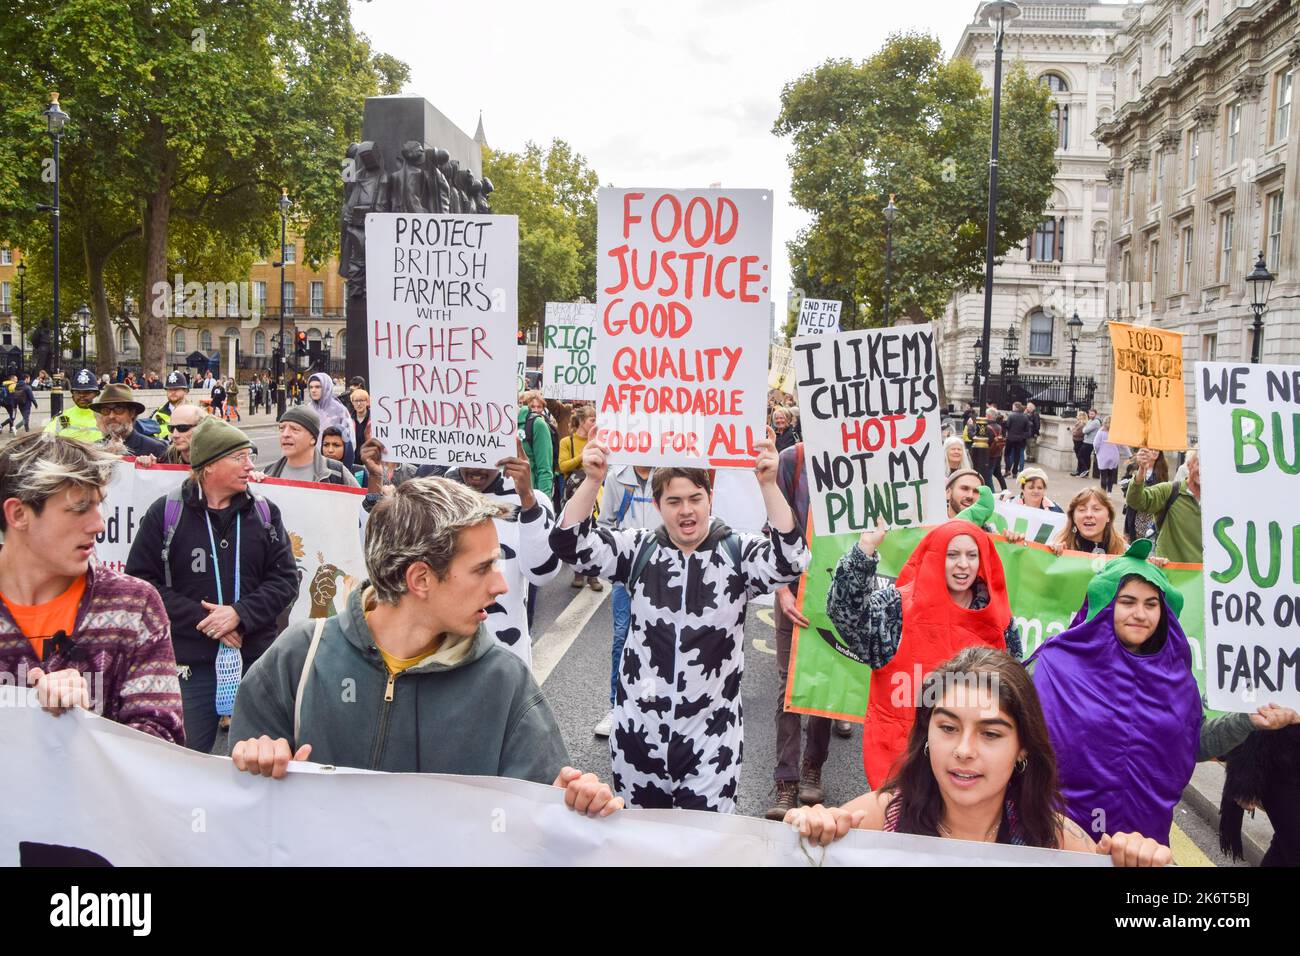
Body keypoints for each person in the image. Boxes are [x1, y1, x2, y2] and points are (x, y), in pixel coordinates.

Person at [227, 476, 622, 820]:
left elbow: (540, 821)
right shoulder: (301, 656)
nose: (501, 586)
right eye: (483, 568)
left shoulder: (505, 680)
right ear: (420, 579)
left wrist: (575, 804)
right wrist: (255, 757)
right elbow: (235, 802)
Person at [550, 431, 809, 812]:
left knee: (701, 848)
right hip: (640, 739)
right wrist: (592, 480)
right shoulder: (637, 548)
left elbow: (792, 560)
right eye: (673, 501)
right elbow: (568, 544)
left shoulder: (739, 552)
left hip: (710, 742)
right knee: (641, 846)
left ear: (709, 500)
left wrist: (769, 485)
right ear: (657, 504)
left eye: (694, 499)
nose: (685, 510)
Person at [784, 647, 1173, 866]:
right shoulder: (875, 819)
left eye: (990, 734)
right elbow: (795, 848)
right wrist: (806, 835)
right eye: (948, 728)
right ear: (926, 735)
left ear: (1022, 747)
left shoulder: (1059, 843)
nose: (964, 751)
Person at [1027, 539, 1298, 845]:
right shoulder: (1052, 666)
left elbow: (1193, 743)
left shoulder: (1176, 678)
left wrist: (1248, 721)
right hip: (1063, 843)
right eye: (1127, 602)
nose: (1140, 614)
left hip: (1146, 847)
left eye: (1151, 604)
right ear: (1105, 604)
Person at [125, 417, 300, 753]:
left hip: (255, 663)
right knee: (186, 761)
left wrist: (239, 614)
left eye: (249, 456)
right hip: (191, 667)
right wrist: (206, 622)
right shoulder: (167, 512)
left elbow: (285, 579)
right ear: (208, 466)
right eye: (239, 458)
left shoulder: (264, 512)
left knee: (257, 765)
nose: (250, 465)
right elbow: (141, 583)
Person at [826, 489, 1021, 787]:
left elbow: (1016, 693)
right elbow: (845, 614)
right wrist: (864, 550)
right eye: (952, 555)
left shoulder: (998, 619)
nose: (963, 565)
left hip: (971, 772)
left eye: (972, 556)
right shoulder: (898, 606)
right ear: (935, 557)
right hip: (902, 767)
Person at [0, 434, 185, 744]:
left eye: (98, 505)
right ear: (19, 514)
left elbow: (164, 744)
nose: (99, 525)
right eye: (79, 508)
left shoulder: (132, 604)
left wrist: (85, 724)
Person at [766, 438, 842, 821]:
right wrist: (782, 592)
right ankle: (786, 781)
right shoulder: (791, 460)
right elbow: (772, 530)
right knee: (788, 686)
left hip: (839, 592)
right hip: (794, 589)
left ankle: (814, 765)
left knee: (824, 683)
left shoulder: (861, 457)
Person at [442, 441, 561, 667]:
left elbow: (543, 573)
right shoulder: (440, 498)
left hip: (505, 656)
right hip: (445, 653)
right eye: (469, 457)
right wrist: (376, 485)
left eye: (485, 456)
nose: (476, 468)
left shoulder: (529, 500)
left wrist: (527, 498)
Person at [590, 459, 660, 738]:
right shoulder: (616, 477)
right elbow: (605, 524)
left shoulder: (671, 470)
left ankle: (651, 708)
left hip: (664, 575)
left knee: (659, 641)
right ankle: (616, 706)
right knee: (622, 637)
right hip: (626, 577)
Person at [1124, 447, 1201, 563]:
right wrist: (1141, 470)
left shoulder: (1220, 501)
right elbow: (1136, 500)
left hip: (1205, 577)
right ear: (1188, 465)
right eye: (1199, 463)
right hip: (1170, 574)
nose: (1205, 469)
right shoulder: (1171, 491)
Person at [557, 406, 601, 592]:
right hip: (573, 494)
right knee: (575, 533)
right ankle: (578, 573)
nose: (595, 423)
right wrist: (582, 457)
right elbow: (562, 466)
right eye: (592, 419)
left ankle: (593, 575)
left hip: (595, 493)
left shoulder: (600, 442)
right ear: (582, 422)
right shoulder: (567, 442)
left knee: (593, 532)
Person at [263, 407, 359, 487]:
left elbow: (363, 506)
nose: (285, 434)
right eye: (282, 428)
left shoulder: (336, 472)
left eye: (295, 429)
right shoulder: (267, 473)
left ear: (313, 438)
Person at [90, 384, 168, 460]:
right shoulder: (94, 450)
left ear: (132, 413)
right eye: (105, 410)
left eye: (118, 409)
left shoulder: (155, 449)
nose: (111, 416)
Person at [1048, 487, 1127, 556]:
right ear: (1073, 517)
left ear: (1109, 516)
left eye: (1096, 509)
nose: (1089, 515)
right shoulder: (1061, 548)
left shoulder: (1125, 552)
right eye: (1082, 510)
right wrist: (1049, 554)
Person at [306, 372, 356, 468]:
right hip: (310, 462)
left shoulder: (339, 410)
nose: (313, 390)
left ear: (326, 387)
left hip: (334, 462)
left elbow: (350, 440)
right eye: (311, 387)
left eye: (317, 387)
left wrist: (345, 463)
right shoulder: (308, 409)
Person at [42, 369, 104, 444]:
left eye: (87, 392)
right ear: (72, 395)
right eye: (77, 392)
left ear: (96, 394)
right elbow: (48, 436)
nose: (81, 396)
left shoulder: (104, 416)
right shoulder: (65, 417)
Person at [518, 389, 556, 504]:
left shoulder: (538, 424)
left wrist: (543, 504)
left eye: (539, 407)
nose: (536, 409)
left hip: (528, 499)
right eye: (532, 406)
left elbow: (544, 469)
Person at [150, 370, 191, 441]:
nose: (172, 392)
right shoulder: (157, 414)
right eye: (169, 389)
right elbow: (150, 439)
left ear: (186, 391)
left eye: (176, 389)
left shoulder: (197, 413)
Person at [1092, 416, 1127, 493]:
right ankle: (1109, 492)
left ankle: (1103, 492)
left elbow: (1096, 444)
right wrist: (1129, 455)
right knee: (1111, 475)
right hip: (1114, 455)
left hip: (1103, 456)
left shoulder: (1100, 432)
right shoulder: (1117, 432)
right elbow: (1123, 445)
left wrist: (1096, 451)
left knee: (1103, 476)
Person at [1003, 402, 1032, 477]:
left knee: (1007, 454)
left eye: (1013, 406)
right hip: (1020, 439)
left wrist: (1005, 421)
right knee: (1017, 455)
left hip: (1010, 438)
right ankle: (1015, 472)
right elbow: (1027, 429)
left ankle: (1007, 469)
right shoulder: (1025, 417)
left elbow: (1007, 426)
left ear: (1016, 407)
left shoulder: (1011, 416)